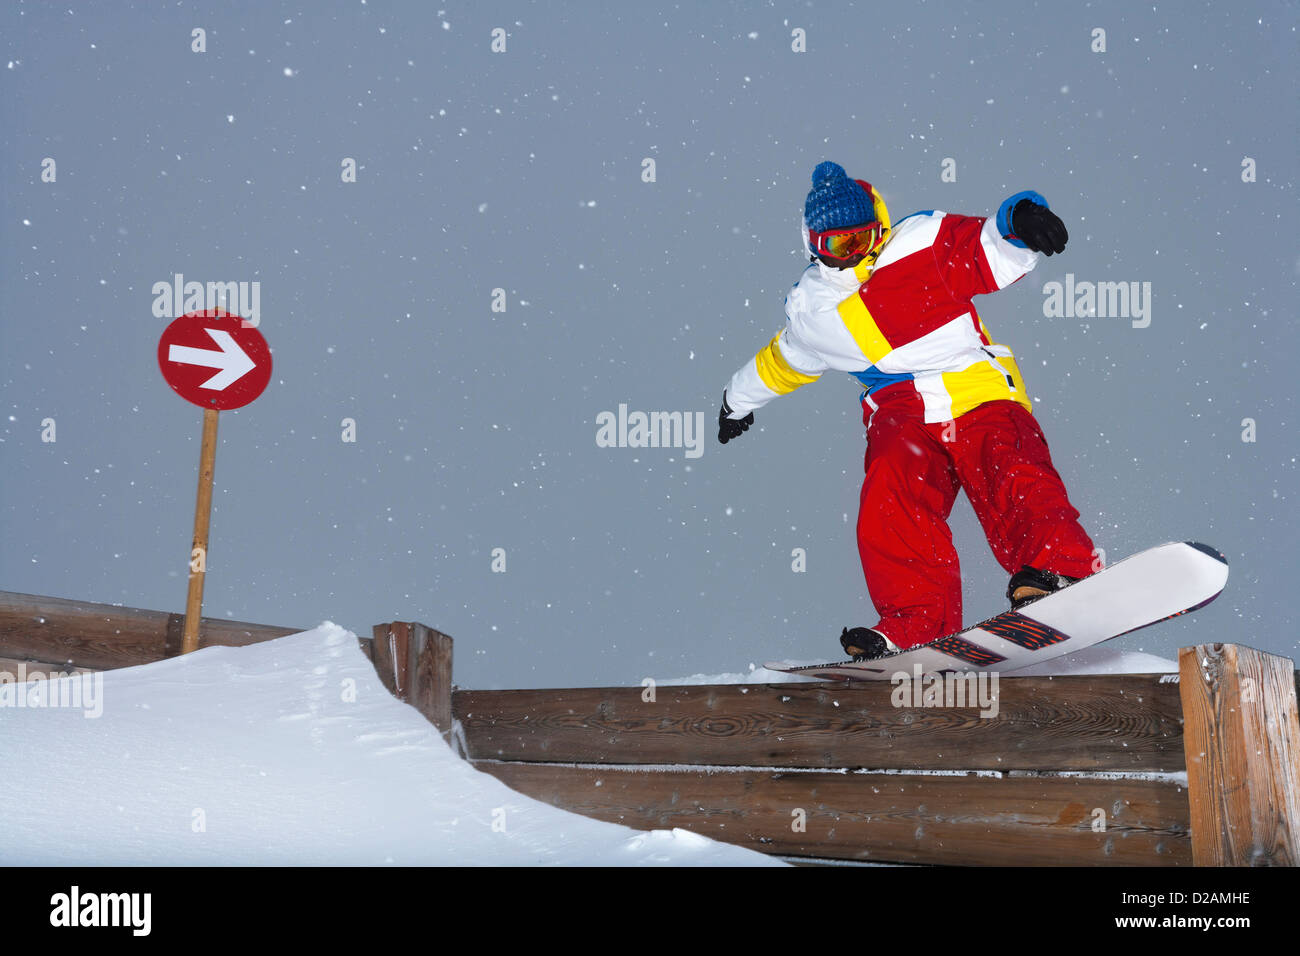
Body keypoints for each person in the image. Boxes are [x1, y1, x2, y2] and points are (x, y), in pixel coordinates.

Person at [717, 161, 1098, 661]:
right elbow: (782, 361)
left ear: (879, 224)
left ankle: (1055, 571)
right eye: (839, 246)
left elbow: (984, 245)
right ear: (814, 245)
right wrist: (736, 399)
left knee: (1010, 468)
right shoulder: (812, 312)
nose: (857, 253)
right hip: (900, 412)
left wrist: (1020, 221)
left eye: (864, 237)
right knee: (889, 495)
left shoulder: (919, 243)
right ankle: (918, 622)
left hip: (976, 390)